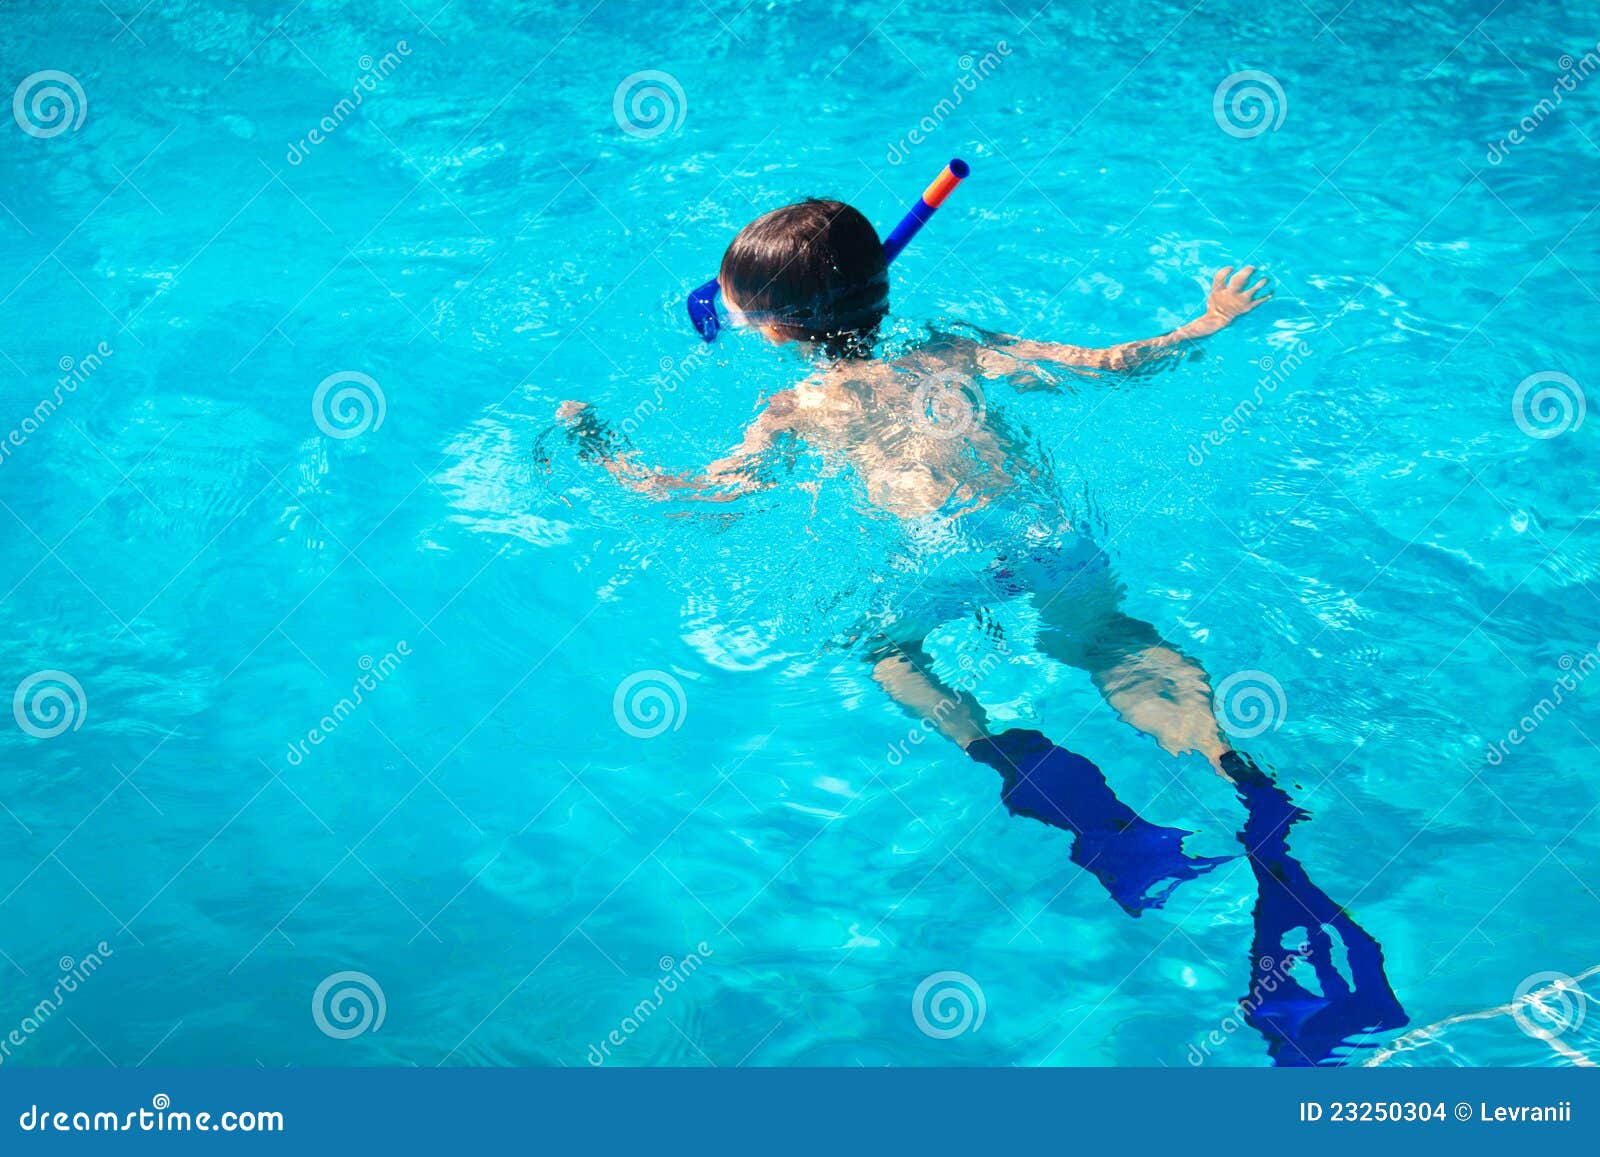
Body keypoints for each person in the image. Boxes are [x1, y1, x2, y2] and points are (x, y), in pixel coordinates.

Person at [559, 196, 1404, 1061]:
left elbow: (711, 501)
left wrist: (603, 454)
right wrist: (1208, 322)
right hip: (1043, 533)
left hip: (947, 550)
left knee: (886, 649)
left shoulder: (797, 407)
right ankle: (1247, 786)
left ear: (776, 329)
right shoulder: (952, 346)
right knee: (1108, 635)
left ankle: (1021, 763)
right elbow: (1109, 364)